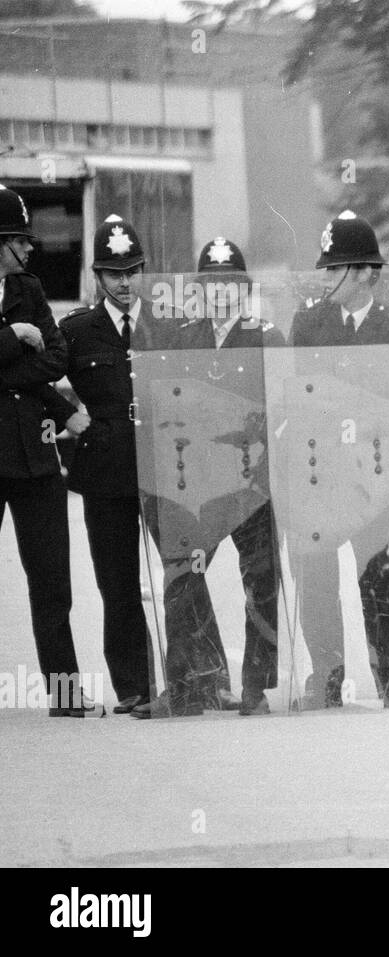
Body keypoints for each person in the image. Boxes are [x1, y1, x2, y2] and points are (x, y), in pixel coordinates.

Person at [130, 237, 282, 718]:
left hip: (251, 481)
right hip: (197, 485)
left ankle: (256, 687)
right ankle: (185, 686)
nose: (220, 292)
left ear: (244, 289)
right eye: (211, 284)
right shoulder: (180, 337)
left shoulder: (267, 337)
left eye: (229, 284)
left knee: (260, 583)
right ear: (199, 290)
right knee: (182, 577)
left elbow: (284, 409)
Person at [288, 210, 389, 710]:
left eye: (336, 268)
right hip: (320, 473)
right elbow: (301, 396)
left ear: (366, 272)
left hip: (371, 476)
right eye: (324, 268)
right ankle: (326, 679)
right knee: (317, 575)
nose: (326, 278)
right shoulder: (309, 323)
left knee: (375, 572)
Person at [0, 183, 94, 717]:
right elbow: (35, 359)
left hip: (34, 455)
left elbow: (56, 359)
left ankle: (65, 691)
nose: (29, 249)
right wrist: (13, 337)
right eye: (19, 240)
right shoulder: (21, 311)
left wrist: (10, 366)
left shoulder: (30, 288)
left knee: (53, 580)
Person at [56, 215, 155, 715]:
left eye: (132, 271)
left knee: (186, 575)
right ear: (97, 276)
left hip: (166, 467)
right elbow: (35, 377)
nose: (124, 282)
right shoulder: (76, 331)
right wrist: (67, 415)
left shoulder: (166, 324)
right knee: (118, 584)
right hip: (106, 472)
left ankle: (200, 677)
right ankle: (134, 686)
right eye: (114, 273)